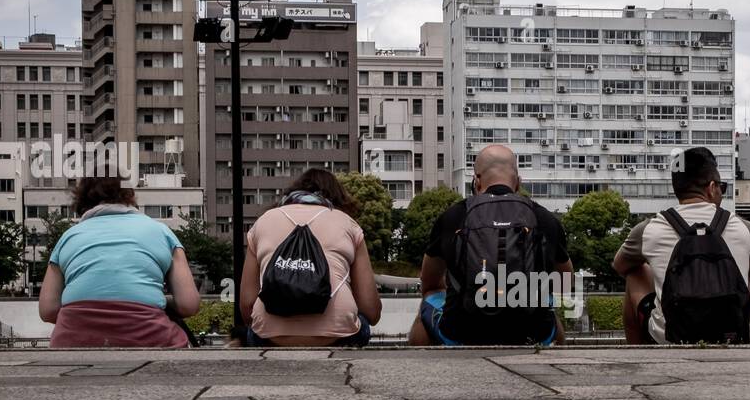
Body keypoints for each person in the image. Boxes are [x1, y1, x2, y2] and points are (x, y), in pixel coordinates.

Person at [409, 144, 572, 346]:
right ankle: (556, 365)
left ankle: (420, 369)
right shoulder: (545, 218)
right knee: (548, 310)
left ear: (476, 181)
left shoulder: (453, 216)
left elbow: (430, 282)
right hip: (532, 332)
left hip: (462, 333)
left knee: (428, 300)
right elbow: (566, 281)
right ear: (518, 183)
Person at [613, 146, 750, 344]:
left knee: (635, 273)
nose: (721, 192)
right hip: (736, 333)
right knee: (747, 275)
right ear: (711, 188)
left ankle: (637, 354)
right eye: (722, 187)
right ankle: (743, 333)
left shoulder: (648, 229)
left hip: (672, 336)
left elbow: (620, 265)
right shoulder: (745, 228)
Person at [40, 176, 200, 347]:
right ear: (129, 196)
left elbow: (48, 311)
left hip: (71, 344)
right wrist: (160, 301)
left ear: (81, 201)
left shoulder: (68, 237)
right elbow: (188, 305)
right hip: (149, 340)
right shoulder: (162, 232)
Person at [239, 168, 381, 347]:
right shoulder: (347, 224)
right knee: (361, 324)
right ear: (338, 197)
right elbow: (371, 310)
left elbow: (246, 305)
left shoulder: (263, 222)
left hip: (269, 337)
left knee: (253, 329)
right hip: (339, 337)